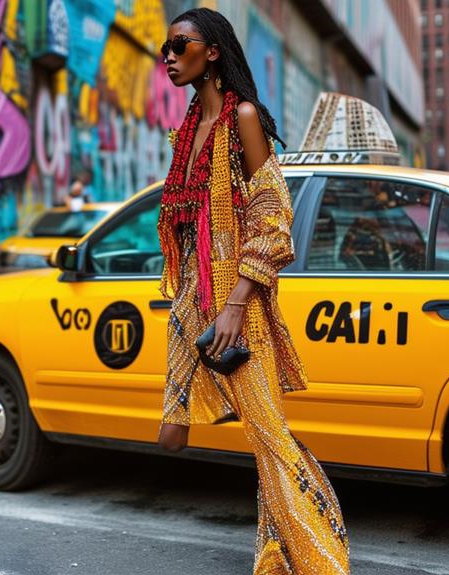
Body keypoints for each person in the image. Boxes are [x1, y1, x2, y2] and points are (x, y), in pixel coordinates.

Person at [156, 8, 350, 574]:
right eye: (165, 48)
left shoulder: (242, 119)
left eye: (179, 45)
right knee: (178, 436)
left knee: (270, 441)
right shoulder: (190, 130)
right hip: (194, 304)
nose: (168, 56)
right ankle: (278, 554)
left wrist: (237, 303)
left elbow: (272, 217)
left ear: (212, 51)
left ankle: (317, 560)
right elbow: (189, 235)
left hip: (239, 309)